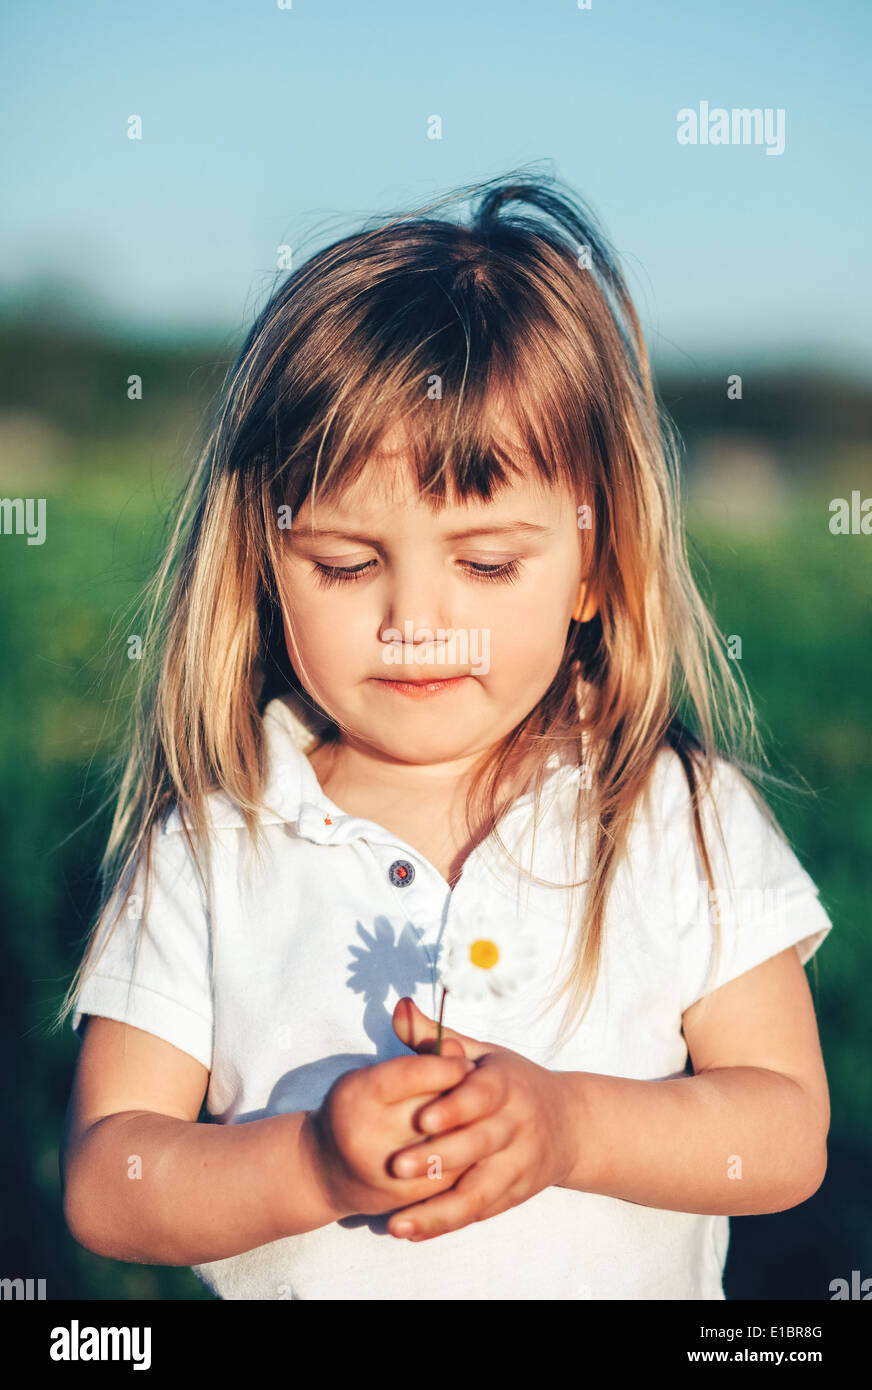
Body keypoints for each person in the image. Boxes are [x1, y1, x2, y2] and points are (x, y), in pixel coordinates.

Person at [55, 173, 832, 1300]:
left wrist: (566, 1126)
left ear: (593, 567)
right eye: (345, 564)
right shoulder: (215, 842)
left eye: (484, 563)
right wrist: (309, 1161)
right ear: (264, 568)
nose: (416, 624)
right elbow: (108, 1179)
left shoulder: (674, 812)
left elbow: (781, 1132)